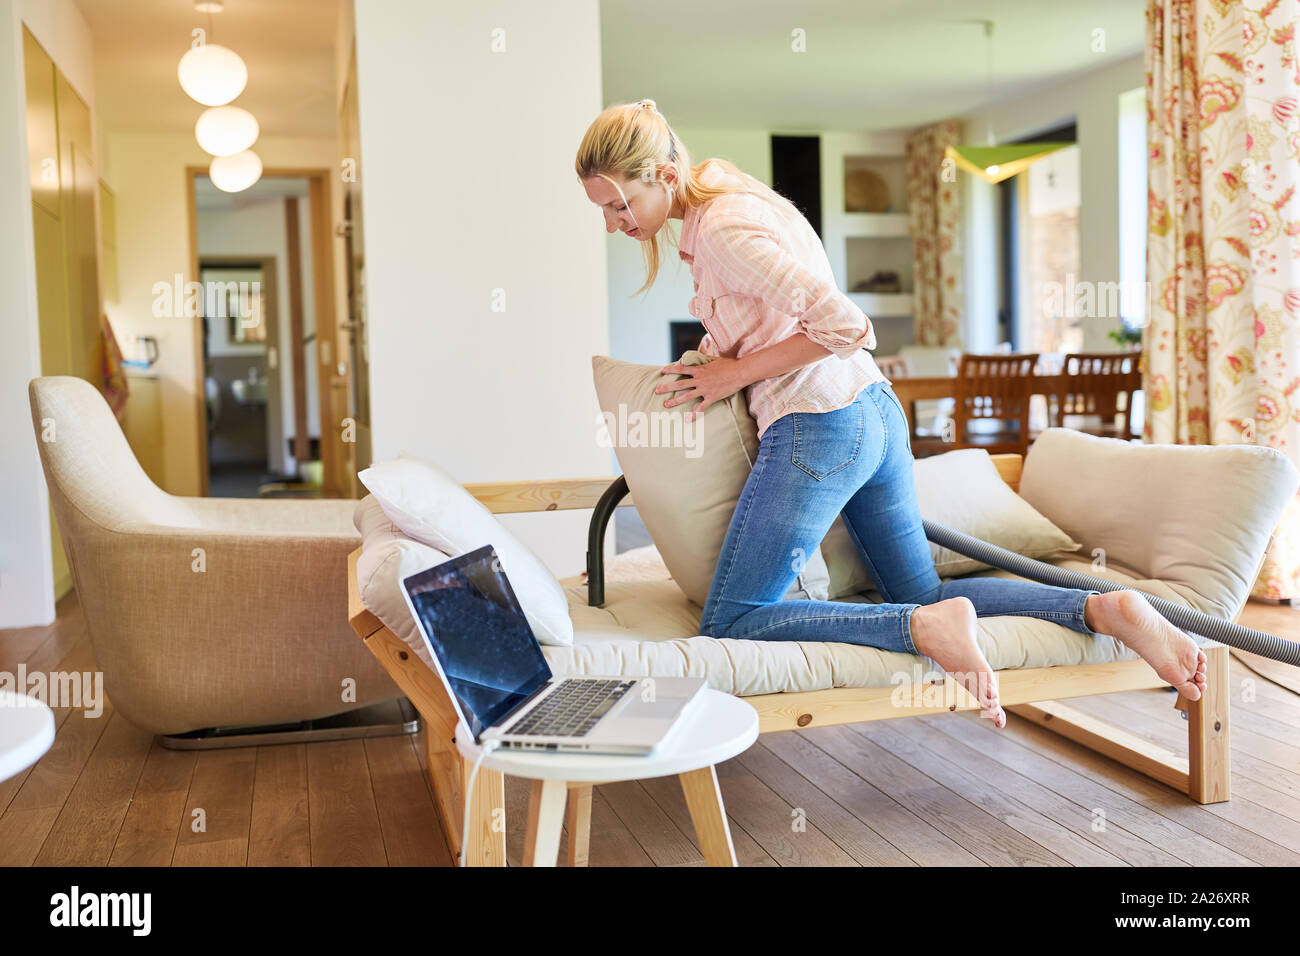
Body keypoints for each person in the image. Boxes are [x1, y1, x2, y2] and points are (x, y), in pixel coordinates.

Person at [575, 99, 1206, 727]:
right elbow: (773, 320)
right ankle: (1105, 610)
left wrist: (732, 374)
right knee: (923, 587)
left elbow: (847, 325)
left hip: (818, 425)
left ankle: (920, 627)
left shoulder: (720, 231)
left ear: (659, 173)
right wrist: (715, 359)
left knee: (736, 617)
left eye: (616, 205)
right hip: (875, 412)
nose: (611, 224)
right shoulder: (736, 203)